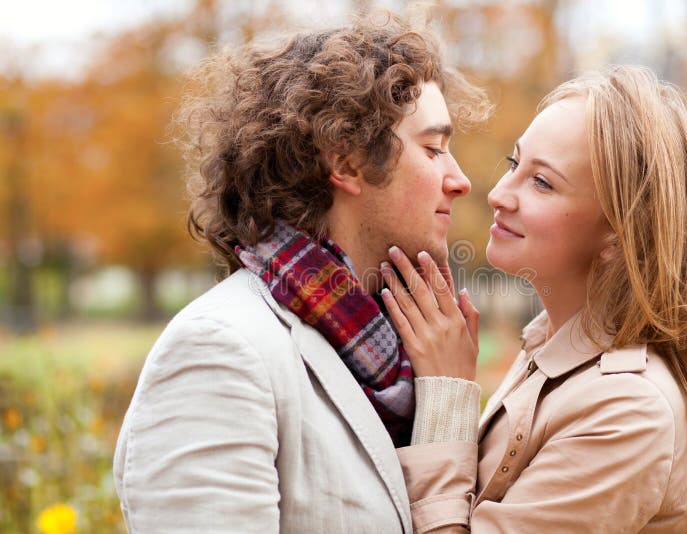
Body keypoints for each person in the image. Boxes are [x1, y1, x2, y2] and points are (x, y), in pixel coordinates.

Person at [112, 11, 490, 533]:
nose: (460, 180)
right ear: (347, 163)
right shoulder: (219, 351)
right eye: (433, 149)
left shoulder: (392, 362)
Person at [380, 65, 687, 533]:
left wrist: (447, 396)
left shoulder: (628, 410)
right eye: (513, 164)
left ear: (618, 235)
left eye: (542, 182)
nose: (500, 194)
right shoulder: (553, 350)